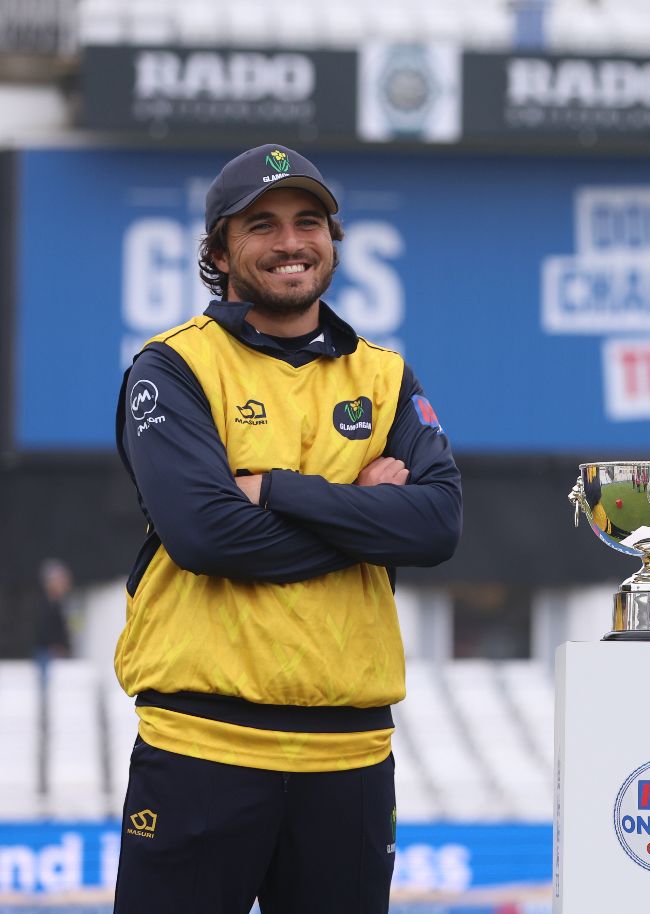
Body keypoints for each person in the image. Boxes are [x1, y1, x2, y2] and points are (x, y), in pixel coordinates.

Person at [112, 143, 463, 914]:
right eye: (261, 226)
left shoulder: (384, 375)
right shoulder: (171, 368)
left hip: (351, 755)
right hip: (201, 744)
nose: (291, 242)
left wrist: (274, 489)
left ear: (335, 241)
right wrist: (368, 515)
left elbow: (436, 525)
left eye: (310, 222)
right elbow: (208, 537)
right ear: (218, 252)